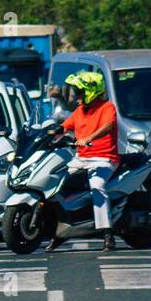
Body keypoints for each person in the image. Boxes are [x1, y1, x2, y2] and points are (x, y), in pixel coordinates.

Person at [49, 71, 120, 253]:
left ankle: (107, 233)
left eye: (79, 92)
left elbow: (108, 126)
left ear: (90, 91)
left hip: (104, 159)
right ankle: (59, 231)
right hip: (81, 158)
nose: (75, 96)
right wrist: (50, 133)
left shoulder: (107, 108)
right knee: (54, 184)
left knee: (97, 185)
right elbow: (64, 127)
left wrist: (89, 137)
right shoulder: (80, 111)